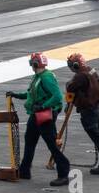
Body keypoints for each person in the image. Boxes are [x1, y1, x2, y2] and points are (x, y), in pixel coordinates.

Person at [7, 52, 71, 185]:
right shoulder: (37, 77)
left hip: (44, 116)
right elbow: (30, 94)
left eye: (32, 63)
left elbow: (57, 96)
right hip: (35, 115)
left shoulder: (46, 77)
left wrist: (43, 106)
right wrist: (16, 95)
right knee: (29, 141)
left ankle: (64, 173)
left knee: (51, 144)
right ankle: (25, 171)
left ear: (35, 64)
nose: (31, 66)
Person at [66, 52, 99, 174]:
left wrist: (68, 92)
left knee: (97, 137)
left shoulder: (80, 76)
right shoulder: (91, 70)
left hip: (88, 111)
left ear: (75, 65)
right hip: (96, 109)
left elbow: (70, 88)